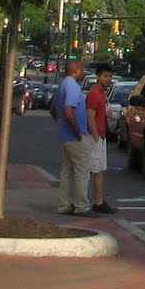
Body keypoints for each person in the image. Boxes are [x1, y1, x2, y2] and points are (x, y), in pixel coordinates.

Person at [53, 60, 91, 216]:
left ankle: (64, 204)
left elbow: (53, 108)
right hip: (74, 136)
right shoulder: (73, 87)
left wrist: (61, 123)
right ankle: (81, 206)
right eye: (82, 70)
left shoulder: (62, 85)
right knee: (82, 170)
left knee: (67, 171)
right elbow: (69, 110)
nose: (83, 73)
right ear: (76, 70)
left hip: (64, 135)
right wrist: (77, 132)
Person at [85, 65, 116, 214]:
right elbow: (90, 116)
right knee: (92, 169)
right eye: (105, 76)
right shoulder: (94, 93)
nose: (108, 79)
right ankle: (90, 201)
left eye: (110, 76)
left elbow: (103, 114)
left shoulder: (102, 94)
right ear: (98, 76)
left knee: (100, 169)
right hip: (95, 137)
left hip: (102, 136)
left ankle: (99, 201)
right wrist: (96, 136)